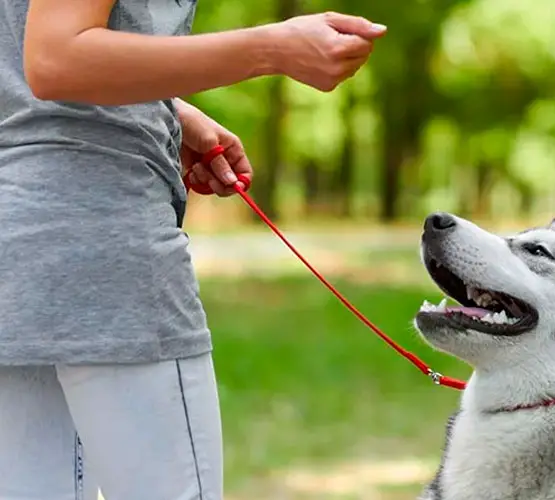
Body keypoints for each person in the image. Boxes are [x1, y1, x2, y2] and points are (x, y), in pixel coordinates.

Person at [0, 0, 386, 498]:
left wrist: (167, 111)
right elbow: (55, 58)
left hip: (18, 246)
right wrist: (271, 49)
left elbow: (24, 51)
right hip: (105, 242)